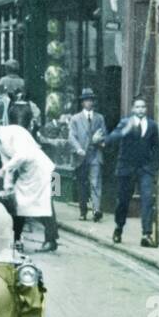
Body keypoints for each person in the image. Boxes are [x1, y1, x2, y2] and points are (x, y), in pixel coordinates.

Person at [0, 119, 58, 251]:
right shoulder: (0, 144)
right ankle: (16, 240)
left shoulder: (15, 131)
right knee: (19, 203)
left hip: (40, 170)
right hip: (26, 173)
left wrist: (4, 169)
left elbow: (22, 155)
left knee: (44, 205)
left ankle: (51, 240)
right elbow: (7, 166)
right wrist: (7, 186)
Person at [107, 98, 159, 247]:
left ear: (146, 109)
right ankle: (119, 227)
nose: (141, 109)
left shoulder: (152, 125)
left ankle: (146, 234)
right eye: (137, 107)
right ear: (132, 109)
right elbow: (112, 137)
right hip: (127, 168)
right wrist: (125, 130)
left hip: (145, 169)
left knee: (148, 200)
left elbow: (156, 148)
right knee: (123, 201)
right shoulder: (125, 123)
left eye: (143, 106)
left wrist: (154, 168)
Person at [68, 88, 106, 222]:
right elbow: (71, 136)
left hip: (95, 155)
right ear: (82, 103)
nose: (89, 102)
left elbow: (104, 135)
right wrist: (78, 148)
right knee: (82, 184)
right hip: (81, 156)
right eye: (86, 100)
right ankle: (83, 211)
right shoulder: (75, 119)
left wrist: (100, 141)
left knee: (95, 183)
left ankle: (96, 210)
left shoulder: (99, 118)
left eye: (91, 100)